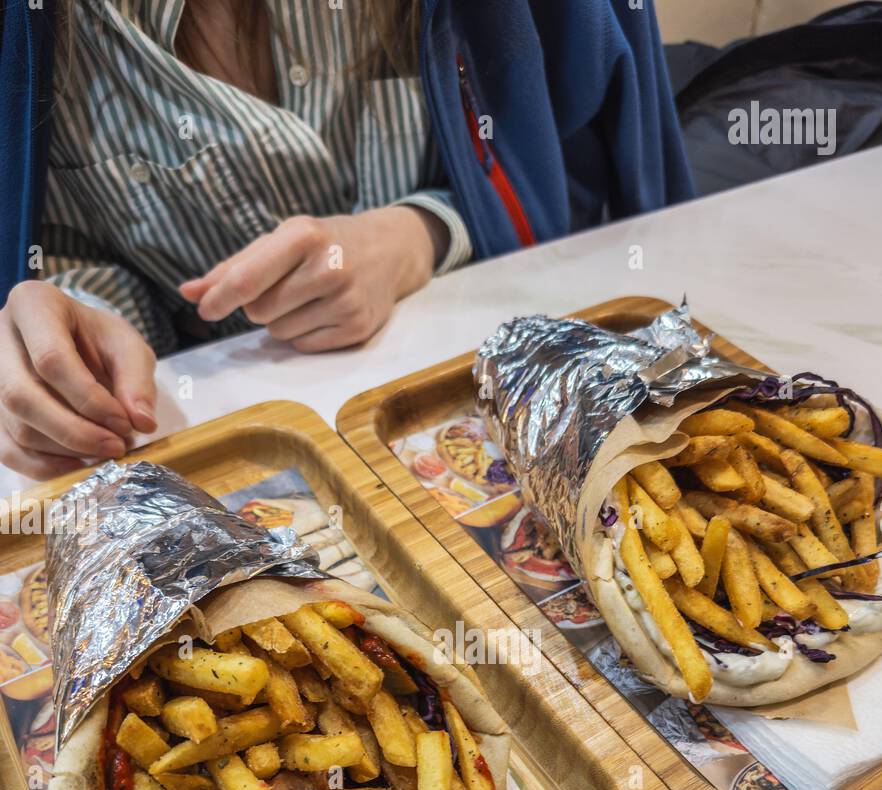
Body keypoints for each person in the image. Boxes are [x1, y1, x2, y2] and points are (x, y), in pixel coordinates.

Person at [0, 0, 693, 480]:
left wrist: (421, 233)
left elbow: (588, 175)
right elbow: (60, 237)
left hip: (502, 413)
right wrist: (77, 339)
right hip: (206, 464)